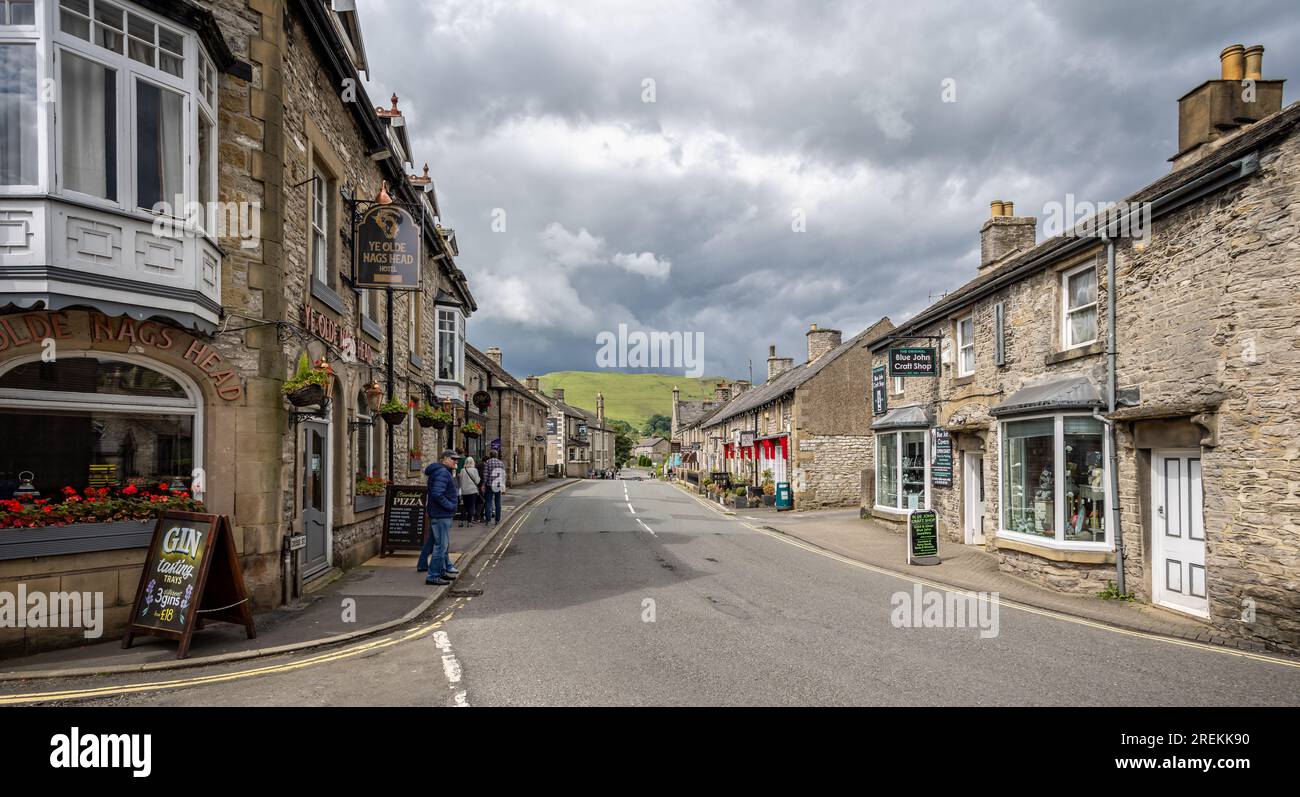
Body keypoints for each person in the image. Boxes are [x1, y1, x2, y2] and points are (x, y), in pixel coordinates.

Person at [419, 450, 460, 585]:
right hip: (441, 514)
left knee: (442, 545)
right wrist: (450, 506)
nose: (456, 461)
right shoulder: (442, 472)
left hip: (439, 513)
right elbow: (437, 493)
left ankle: (441, 572)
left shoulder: (442, 471)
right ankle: (433, 576)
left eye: (457, 459)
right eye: (453, 459)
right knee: (440, 546)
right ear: (444, 459)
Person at [481, 448, 505, 525]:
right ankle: (497, 520)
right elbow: (503, 475)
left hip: (489, 485)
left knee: (488, 502)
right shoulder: (501, 463)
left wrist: (483, 485)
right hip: (498, 485)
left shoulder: (487, 462)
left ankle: (488, 520)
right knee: (498, 503)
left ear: (490, 455)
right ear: (496, 455)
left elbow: (485, 475)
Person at [458, 455, 481, 527]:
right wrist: (479, 478)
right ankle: (469, 522)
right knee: (471, 506)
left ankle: (461, 521)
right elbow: (477, 481)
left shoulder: (462, 470)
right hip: (472, 491)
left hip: (464, 490)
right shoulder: (474, 470)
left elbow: (460, 481)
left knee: (464, 506)